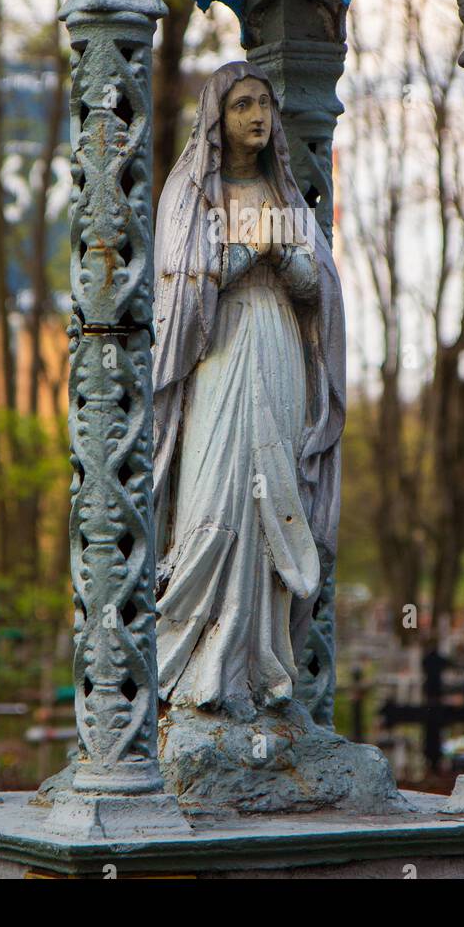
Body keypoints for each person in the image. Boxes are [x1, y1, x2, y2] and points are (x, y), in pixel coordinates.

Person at [152, 61, 345, 721]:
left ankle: (263, 669)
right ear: (218, 116)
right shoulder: (192, 193)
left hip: (280, 348)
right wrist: (242, 252)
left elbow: (319, 290)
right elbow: (180, 290)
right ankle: (194, 668)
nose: (258, 115)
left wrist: (284, 255)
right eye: (243, 105)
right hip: (221, 354)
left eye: (265, 103)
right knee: (216, 493)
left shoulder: (286, 196)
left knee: (278, 493)